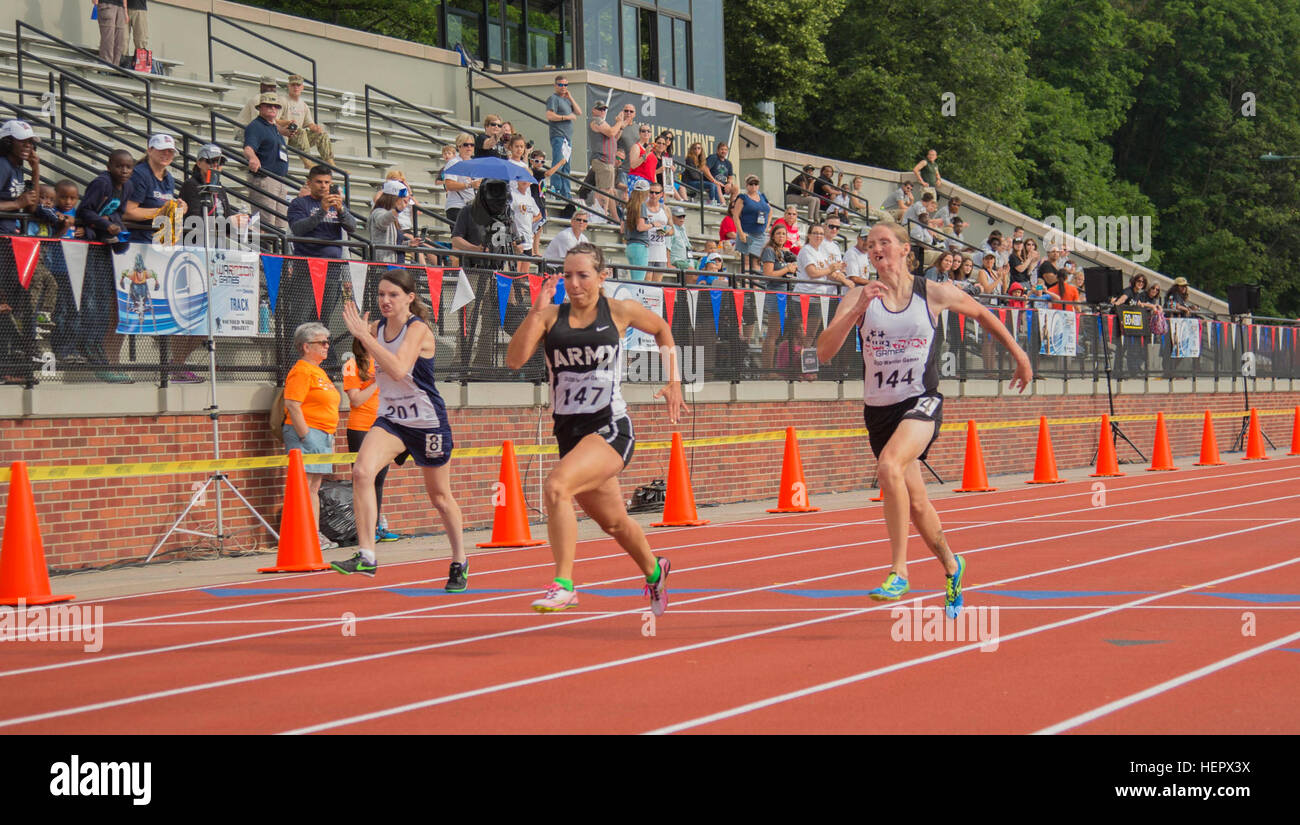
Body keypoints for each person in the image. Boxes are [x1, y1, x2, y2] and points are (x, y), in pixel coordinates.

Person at [816, 222, 1032, 618]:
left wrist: (1019, 355)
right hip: (879, 411)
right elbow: (824, 351)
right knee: (915, 502)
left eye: (885, 242)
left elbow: (983, 314)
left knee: (889, 466)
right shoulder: (857, 295)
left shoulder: (930, 292)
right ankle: (952, 564)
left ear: (904, 250)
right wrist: (858, 310)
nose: (877, 248)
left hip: (922, 401)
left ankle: (899, 570)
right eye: (871, 244)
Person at [504, 242, 683, 613]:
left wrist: (675, 380)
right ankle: (655, 570)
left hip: (610, 428)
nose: (574, 283)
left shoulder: (618, 311)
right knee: (616, 524)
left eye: (583, 275)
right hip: (570, 434)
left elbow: (662, 329)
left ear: (602, 278)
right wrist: (535, 313)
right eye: (568, 275)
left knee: (556, 486)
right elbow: (514, 359)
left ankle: (564, 583)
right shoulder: (551, 317)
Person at [337, 269, 467, 588]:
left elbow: (397, 369)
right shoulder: (376, 328)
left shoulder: (418, 328)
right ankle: (366, 555)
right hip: (393, 419)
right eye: (381, 294)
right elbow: (365, 355)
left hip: (426, 422)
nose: (385, 300)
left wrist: (365, 337)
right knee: (362, 472)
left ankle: (459, 559)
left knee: (439, 496)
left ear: (409, 298)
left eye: (393, 295)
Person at [283, 321, 342, 552]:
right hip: (309, 434)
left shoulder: (319, 371)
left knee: (313, 488)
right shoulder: (301, 370)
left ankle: (312, 533)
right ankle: (306, 534)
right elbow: (292, 404)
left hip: (323, 434)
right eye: (322, 342)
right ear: (307, 346)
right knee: (305, 487)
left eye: (327, 342)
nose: (327, 346)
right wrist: (305, 435)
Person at [343, 338, 399, 543]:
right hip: (361, 427)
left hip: (383, 425)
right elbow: (356, 399)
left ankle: (376, 526)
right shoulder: (352, 365)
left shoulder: (381, 363)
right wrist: (376, 382)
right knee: (364, 478)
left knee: (380, 479)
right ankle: (364, 529)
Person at [242, 92, 292, 233]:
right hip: (266, 179)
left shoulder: (272, 127)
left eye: (275, 106)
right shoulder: (256, 126)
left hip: (278, 180)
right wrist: (253, 157)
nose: (272, 108)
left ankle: (275, 253)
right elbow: (248, 148)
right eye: (268, 105)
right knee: (266, 224)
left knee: (280, 224)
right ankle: (264, 253)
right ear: (261, 107)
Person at [123, 133, 186, 243]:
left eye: (170, 151)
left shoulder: (169, 178)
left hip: (158, 240)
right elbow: (128, 212)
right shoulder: (139, 174)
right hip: (137, 240)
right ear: (150, 150)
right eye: (162, 149)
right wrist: (162, 211)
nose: (166, 153)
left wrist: (178, 209)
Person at [287, 166, 356, 259]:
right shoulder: (299, 202)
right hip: (307, 261)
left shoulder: (336, 202)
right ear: (309, 183)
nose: (323, 186)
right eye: (319, 182)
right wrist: (322, 211)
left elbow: (352, 227)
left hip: (334, 263)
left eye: (327, 182)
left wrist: (341, 211)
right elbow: (297, 229)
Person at [587, 102, 633, 224]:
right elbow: (611, 132)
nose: (602, 111)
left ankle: (607, 215)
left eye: (604, 109)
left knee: (608, 190)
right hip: (602, 160)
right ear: (594, 110)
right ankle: (601, 214)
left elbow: (614, 137)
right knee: (604, 190)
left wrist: (622, 126)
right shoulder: (597, 121)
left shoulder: (603, 122)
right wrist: (619, 122)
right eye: (600, 109)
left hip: (607, 161)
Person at [282, 74, 334, 168]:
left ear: (302, 87)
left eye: (298, 85)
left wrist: (316, 128)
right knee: (301, 131)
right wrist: (287, 123)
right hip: (284, 135)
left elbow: (310, 124)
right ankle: (307, 162)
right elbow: (274, 119)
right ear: (288, 86)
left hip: (298, 138)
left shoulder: (304, 105)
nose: (296, 87)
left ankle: (330, 163)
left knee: (322, 134)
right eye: (293, 85)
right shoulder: (282, 100)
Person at [544, 75, 580, 200]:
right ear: (555, 85)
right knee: (558, 164)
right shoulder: (553, 98)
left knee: (566, 166)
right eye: (560, 84)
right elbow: (549, 115)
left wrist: (570, 96)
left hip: (567, 137)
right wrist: (566, 117)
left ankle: (566, 193)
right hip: (558, 135)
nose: (563, 87)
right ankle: (556, 191)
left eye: (565, 85)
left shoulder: (566, 99)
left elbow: (579, 112)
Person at [732, 174, 772, 272]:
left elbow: (770, 211)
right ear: (747, 185)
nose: (753, 186)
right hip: (747, 233)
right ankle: (745, 283)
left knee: (757, 261)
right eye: (751, 184)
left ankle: (755, 285)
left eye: (756, 184)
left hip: (760, 234)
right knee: (746, 261)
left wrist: (767, 226)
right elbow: (736, 216)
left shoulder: (762, 197)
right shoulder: (743, 198)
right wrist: (740, 233)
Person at [442, 133, 480, 226]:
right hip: (457, 206)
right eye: (466, 145)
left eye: (472, 145)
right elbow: (449, 185)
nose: (469, 147)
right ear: (459, 146)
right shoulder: (454, 163)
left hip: (472, 206)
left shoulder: (475, 164)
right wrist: (470, 185)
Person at [368, 179, 408, 264]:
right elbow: (382, 221)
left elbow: (394, 245)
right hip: (383, 265)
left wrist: (409, 244)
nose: (404, 204)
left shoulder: (392, 216)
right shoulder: (378, 212)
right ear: (394, 199)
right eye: (401, 199)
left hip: (395, 264)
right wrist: (397, 210)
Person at [643, 179, 672, 282]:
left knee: (657, 286)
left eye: (657, 193)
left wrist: (664, 232)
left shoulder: (665, 209)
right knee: (646, 283)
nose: (654, 195)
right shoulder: (643, 208)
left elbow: (672, 230)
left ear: (661, 194)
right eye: (651, 192)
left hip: (660, 253)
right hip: (647, 250)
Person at [93, 0, 128, 68]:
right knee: (108, 38)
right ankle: (105, 67)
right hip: (106, 4)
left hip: (120, 7)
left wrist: (125, 10)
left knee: (119, 40)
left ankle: (115, 67)